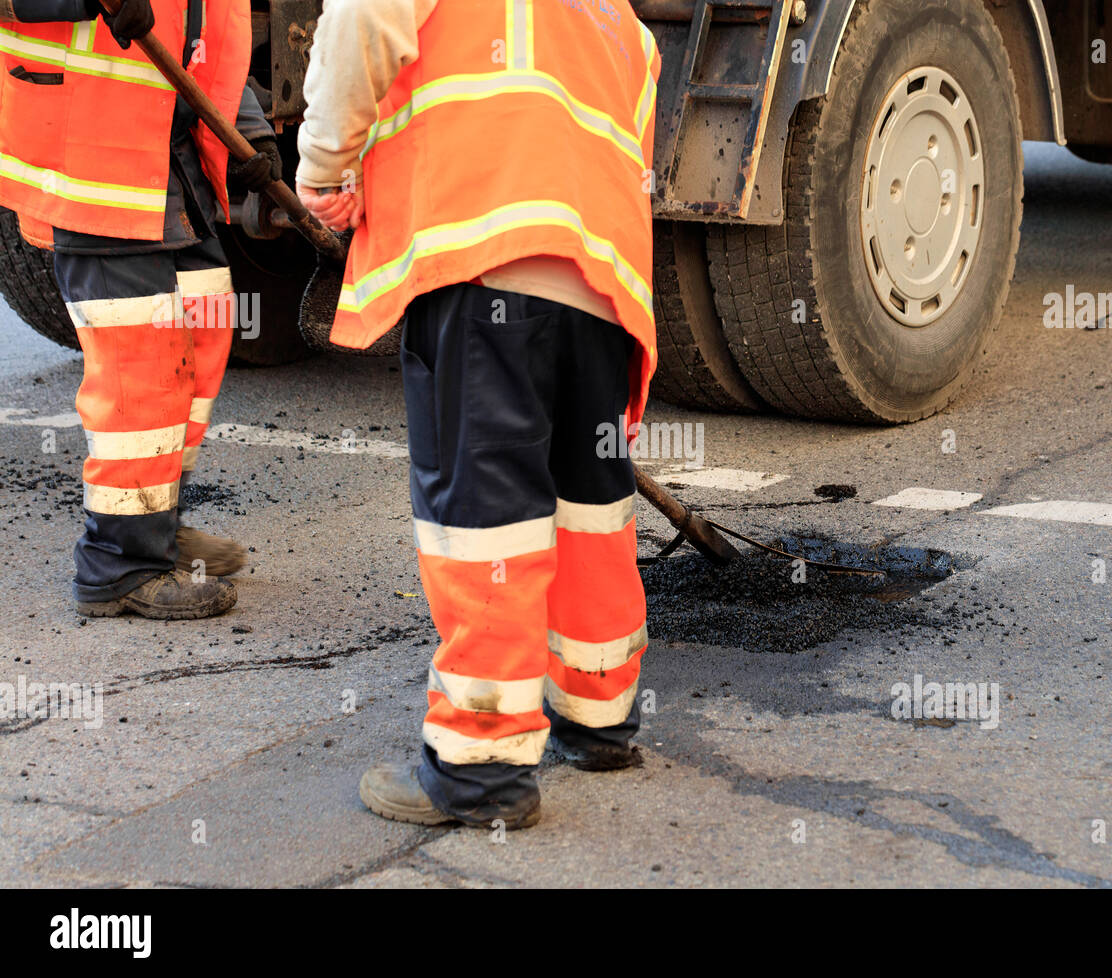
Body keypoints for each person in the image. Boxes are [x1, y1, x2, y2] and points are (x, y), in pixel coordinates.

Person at [297, 0, 660, 829]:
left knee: (487, 519)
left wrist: (324, 168)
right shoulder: (613, 16)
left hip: (483, 255)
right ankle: (597, 715)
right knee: (589, 505)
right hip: (603, 281)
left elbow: (363, 20)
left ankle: (479, 769)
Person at [0, 0, 282, 618]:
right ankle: (119, 564)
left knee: (205, 332)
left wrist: (250, 129)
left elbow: (211, 35)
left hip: (172, 167)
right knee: (141, 370)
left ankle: (154, 522)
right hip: (95, 168)